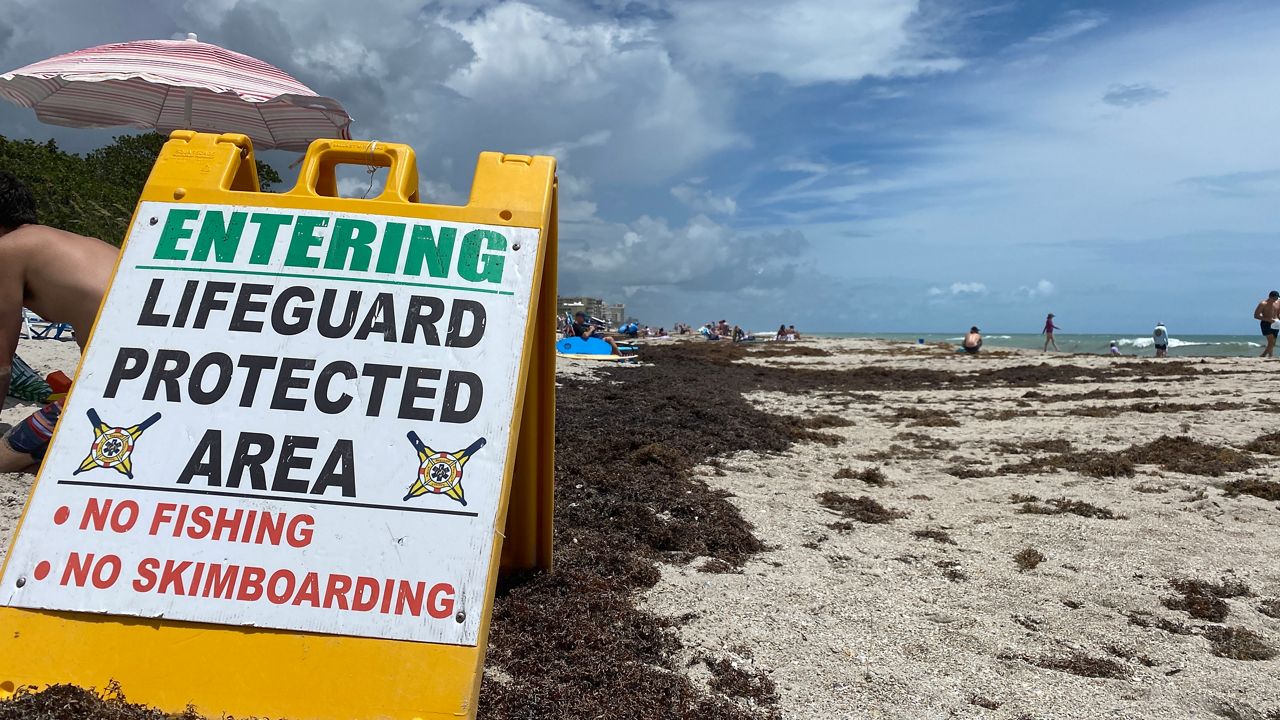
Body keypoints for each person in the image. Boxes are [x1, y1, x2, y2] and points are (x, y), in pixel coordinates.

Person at [0, 171, 118, 472]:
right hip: (160, 373)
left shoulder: (7, 250)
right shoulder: (78, 243)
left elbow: (1, 364)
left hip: (118, 385)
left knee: (7, 455)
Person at [1255, 291, 1280, 358]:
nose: (1275, 300)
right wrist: (1268, 320)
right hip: (1266, 323)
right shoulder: (1263, 304)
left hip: (1276, 323)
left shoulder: (1278, 303)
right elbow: (1256, 315)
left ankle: (1270, 355)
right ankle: (1263, 355)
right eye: (1274, 298)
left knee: (1273, 342)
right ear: (1270, 297)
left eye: (1277, 298)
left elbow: (1278, 314)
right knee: (1271, 341)